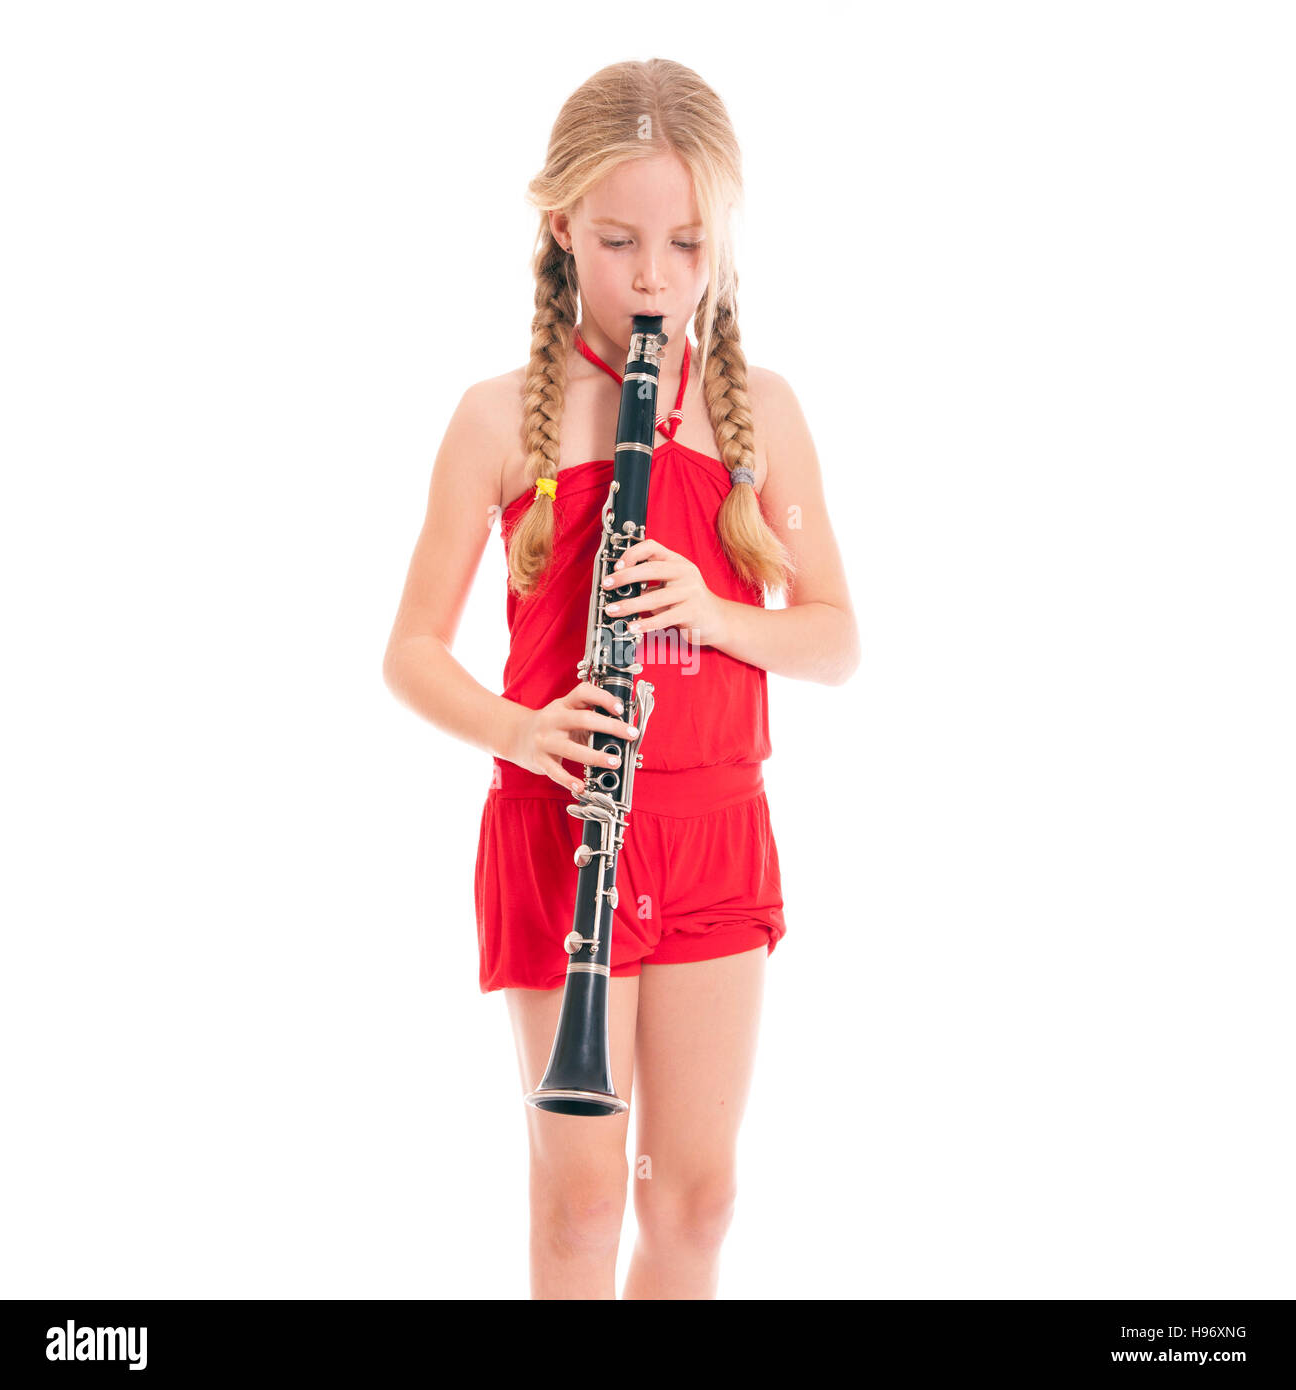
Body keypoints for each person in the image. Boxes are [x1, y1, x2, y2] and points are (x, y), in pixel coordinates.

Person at [383, 58, 859, 1299]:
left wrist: (714, 610)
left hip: (713, 831)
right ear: (559, 227)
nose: (655, 278)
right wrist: (521, 729)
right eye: (619, 240)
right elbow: (411, 652)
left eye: (689, 243)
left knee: (696, 1200)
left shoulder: (762, 409)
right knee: (584, 1207)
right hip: (563, 830)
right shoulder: (498, 420)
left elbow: (834, 639)